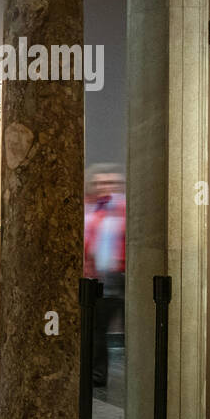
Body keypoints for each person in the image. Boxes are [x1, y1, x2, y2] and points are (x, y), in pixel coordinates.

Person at [84, 164, 125, 387]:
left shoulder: (122, 208)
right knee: (97, 331)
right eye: (100, 183)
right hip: (100, 278)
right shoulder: (93, 210)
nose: (104, 187)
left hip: (121, 277)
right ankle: (97, 376)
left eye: (109, 183)